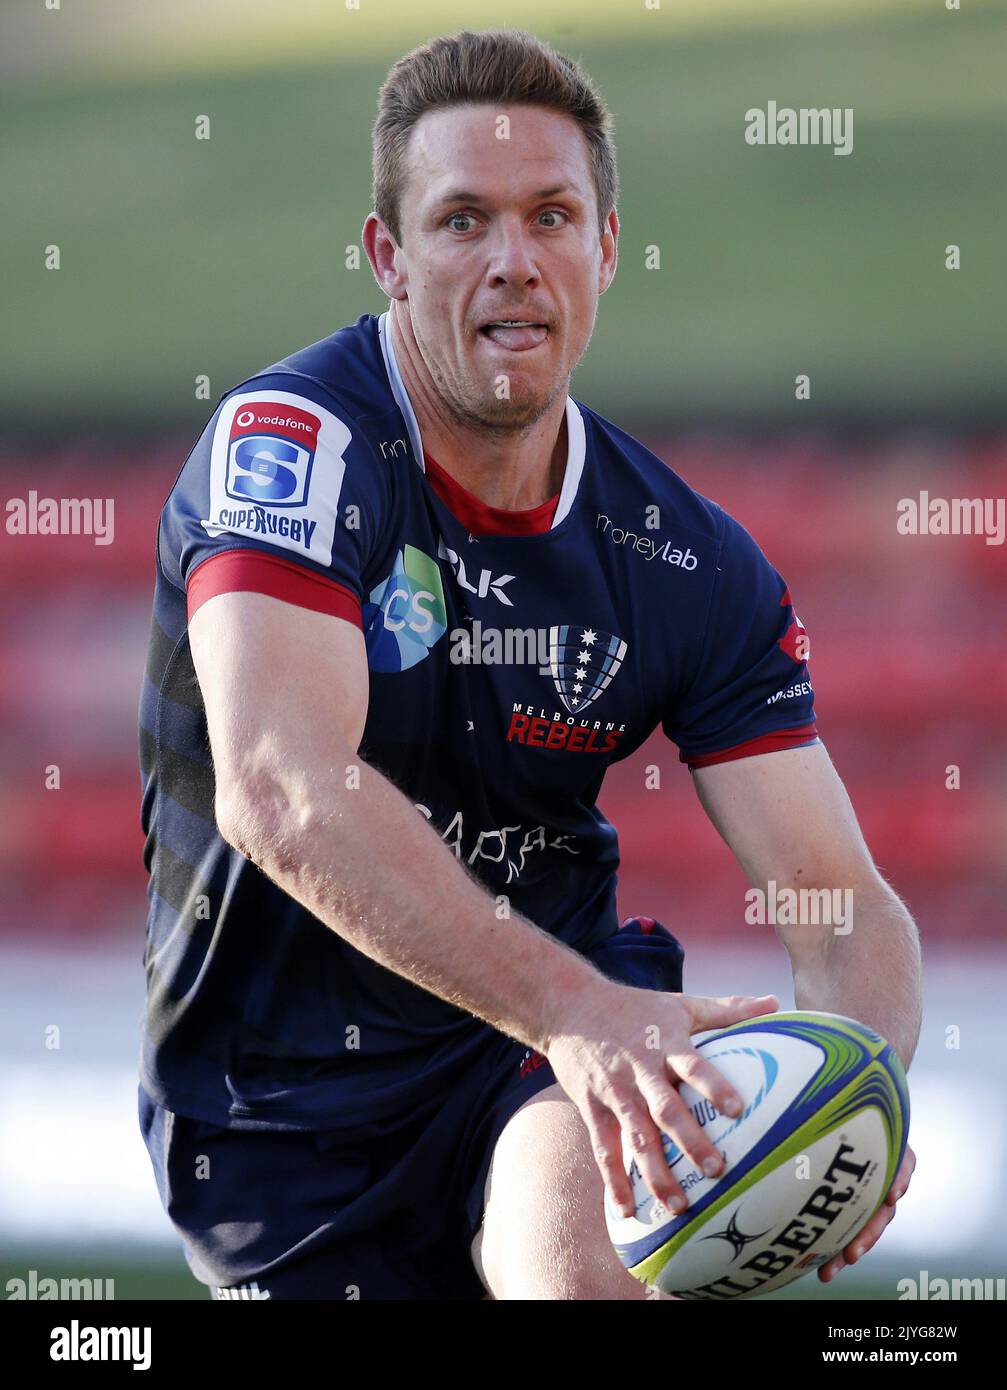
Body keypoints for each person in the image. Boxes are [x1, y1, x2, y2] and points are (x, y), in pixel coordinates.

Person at [137, 28, 919, 1300]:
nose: (514, 263)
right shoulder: (291, 450)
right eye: (461, 222)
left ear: (606, 247)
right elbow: (279, 788)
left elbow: (838, 900)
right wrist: (578, 1012)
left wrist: (859, 1096)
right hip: (272, 1107)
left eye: (552, 215)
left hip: (555, 1051)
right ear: (388, 257)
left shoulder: (684, 559)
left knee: (576, 1275)